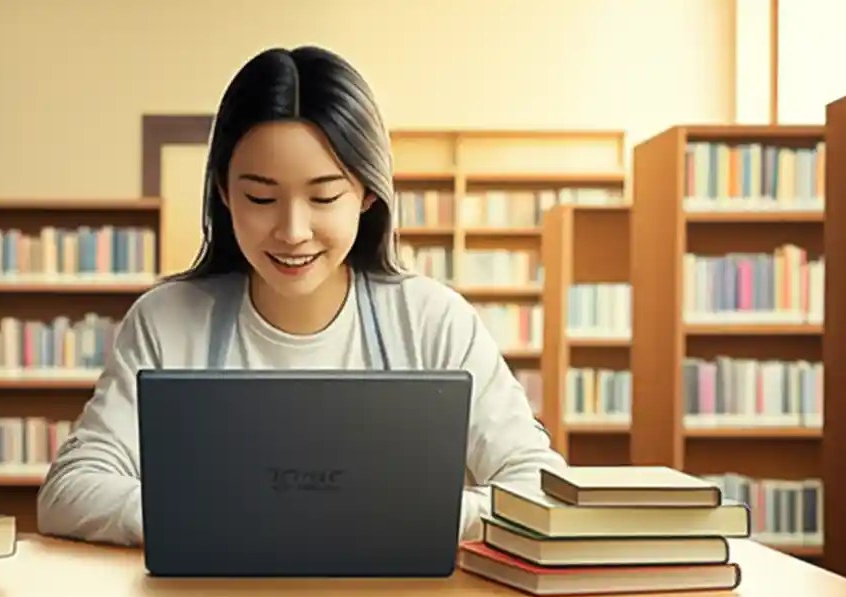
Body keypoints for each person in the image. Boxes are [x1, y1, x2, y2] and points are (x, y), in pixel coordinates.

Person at [37, 45, 566, 547]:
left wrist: (410, 513)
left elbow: (540, 491)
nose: (292, 231)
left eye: (324, 196)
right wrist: (219, 516)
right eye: (260, 197)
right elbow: (69, 491)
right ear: (223, 191)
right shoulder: (167, 320)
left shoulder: (432, 320)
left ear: (367, 193)